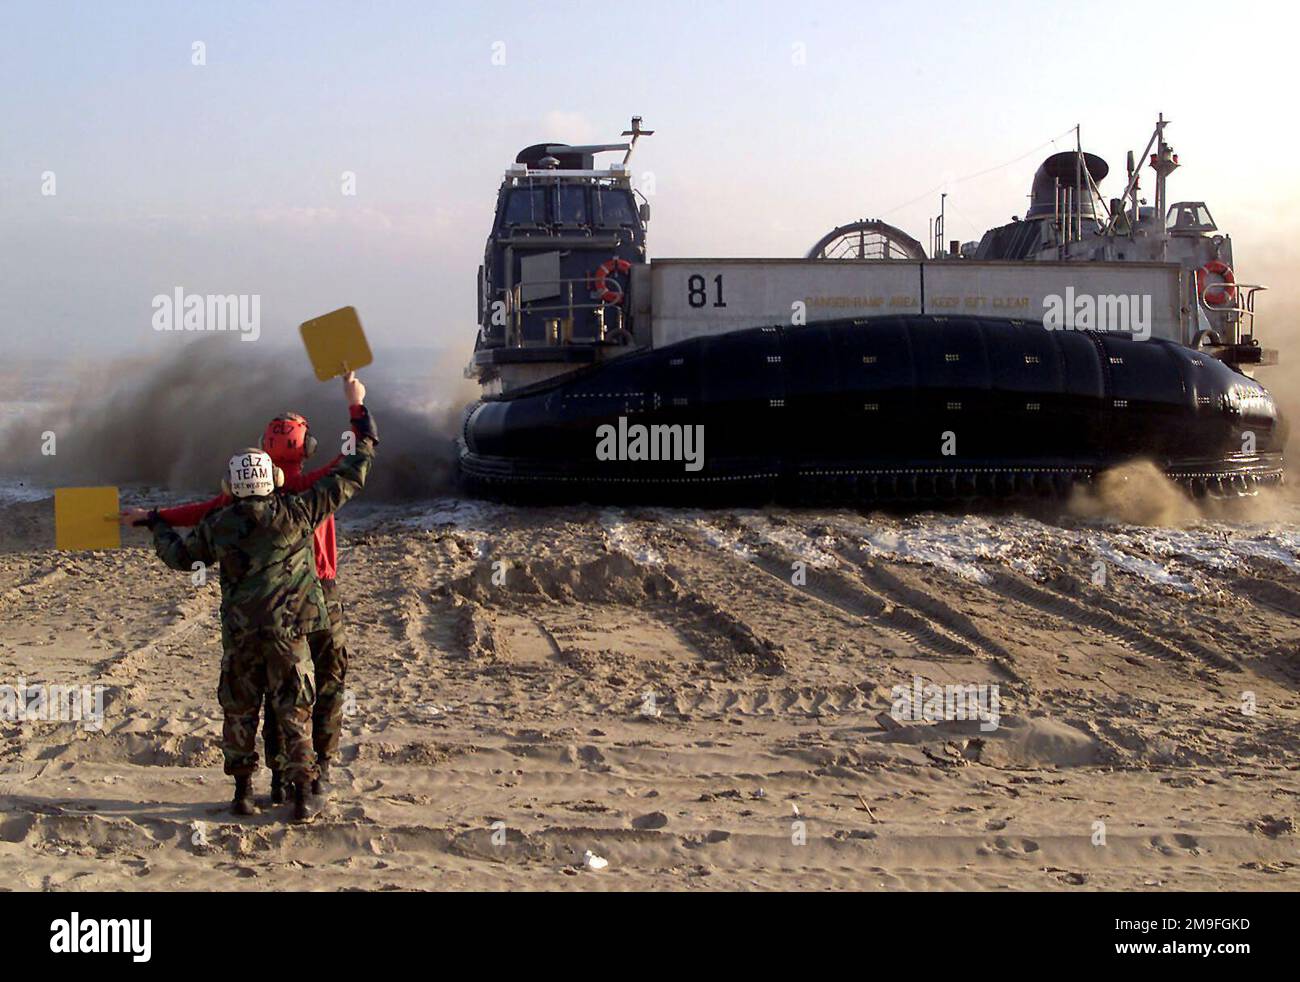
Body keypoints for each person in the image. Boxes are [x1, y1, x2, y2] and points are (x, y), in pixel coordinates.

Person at [123, 373, 370, 805]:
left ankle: (262, 784)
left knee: (255, 699)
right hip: (313, 603)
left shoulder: (227, 514)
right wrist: (356, 405)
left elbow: (193, 525)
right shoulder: (307, 500)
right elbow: (356, 461)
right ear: (306, 448)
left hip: (249, 624)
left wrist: (154, 519)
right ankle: (315, 775)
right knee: (314, 688)